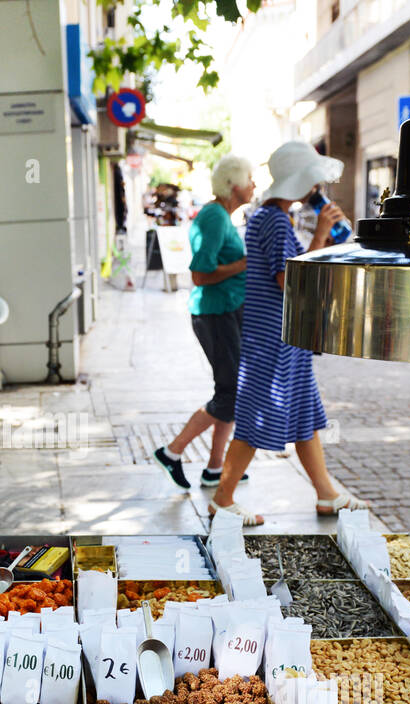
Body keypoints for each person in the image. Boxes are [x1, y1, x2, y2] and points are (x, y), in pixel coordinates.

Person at [211, 141, 368, 526]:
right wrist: (322, 233)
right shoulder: (275, 220)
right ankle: (223, 497)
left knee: (305, 415)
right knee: (256, 417)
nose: (314, 189)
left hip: (282, 336)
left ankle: (327, 493)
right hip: (274, 339)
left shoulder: (267, 217)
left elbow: (291, 266)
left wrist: (325, 240)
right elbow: (289, 280)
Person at [154, 154, 256, 490]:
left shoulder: (222, 215)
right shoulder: (213, 216)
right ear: (233, 185)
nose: (254, 185)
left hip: (227, 311)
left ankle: (216, 469)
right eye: (250, 179)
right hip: (215, 313)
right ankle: (173, 451)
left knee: (232, 392)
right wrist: (243, 264)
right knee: (230, 394)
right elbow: (200, 274)